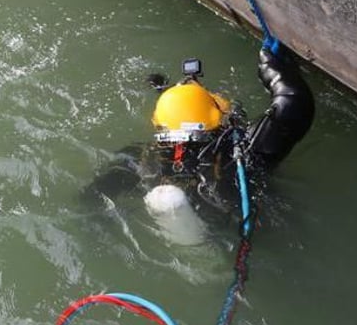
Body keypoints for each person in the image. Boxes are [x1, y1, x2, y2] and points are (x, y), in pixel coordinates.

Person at [86, 47, 315, 241]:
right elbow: (294, 103)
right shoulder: (242, 153)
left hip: (184, 233)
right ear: (219, 121)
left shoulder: (139, 156)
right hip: (248, 234)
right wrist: (273, 69)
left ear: (159, 124)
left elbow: (91, 199)